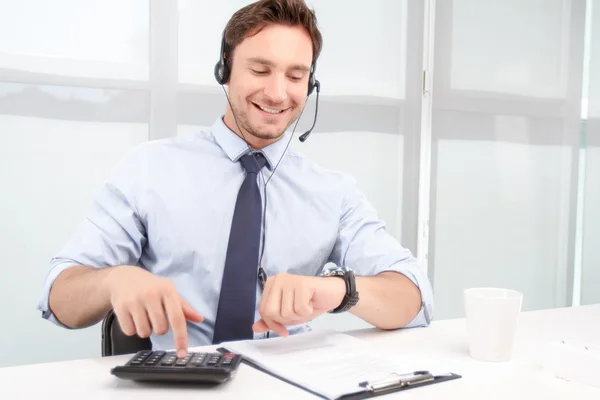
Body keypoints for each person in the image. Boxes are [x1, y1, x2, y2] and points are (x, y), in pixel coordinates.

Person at [37, 0, 433, 359]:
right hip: (176, 382)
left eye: (296, 76)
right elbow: (59, 299)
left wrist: (338, 290)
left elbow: (414, 299)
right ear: (224, 69)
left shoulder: (333, 192)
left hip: (287, 385)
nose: (278, 93)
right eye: (260, 70)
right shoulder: (149, 169)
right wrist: (113, 281)